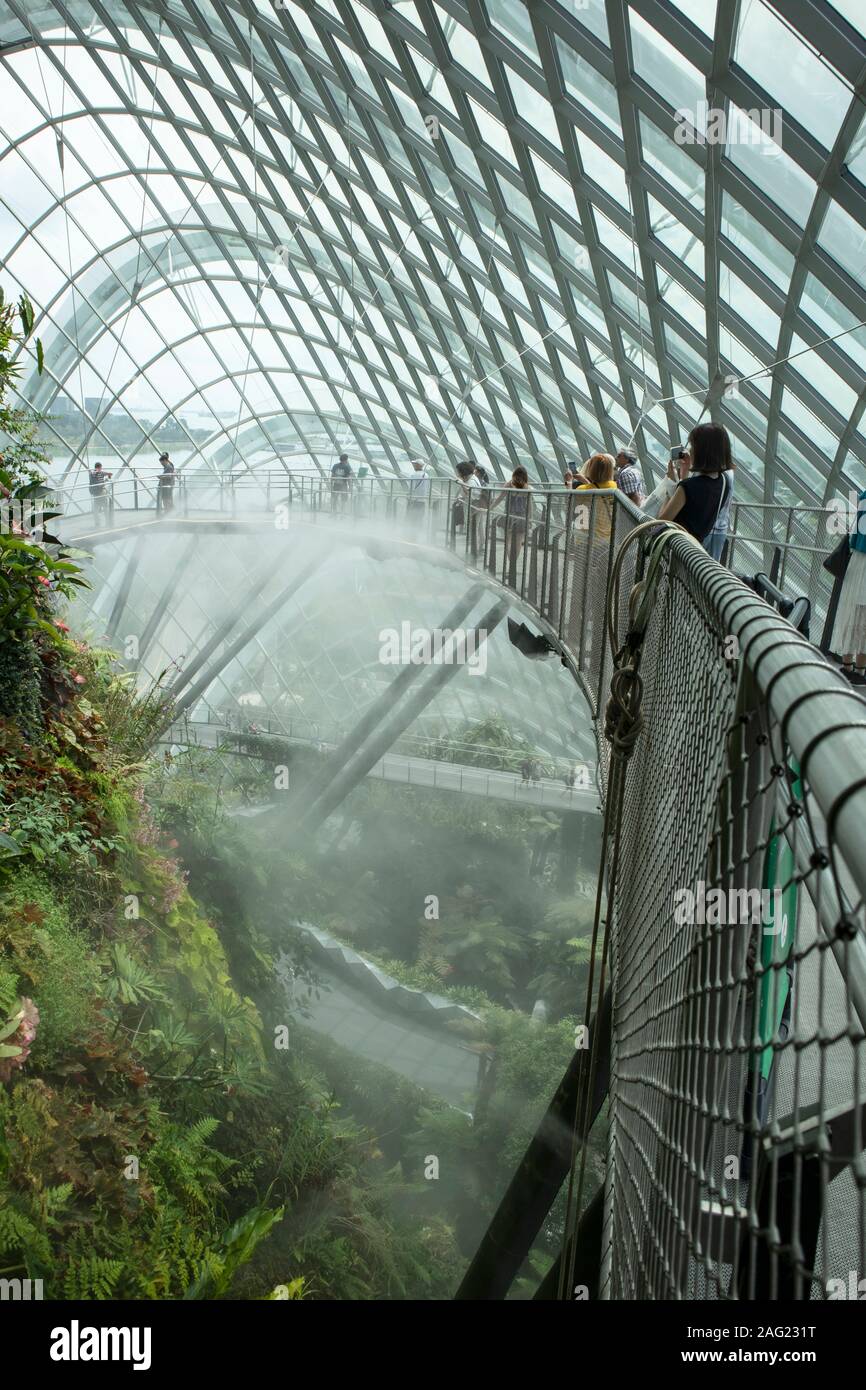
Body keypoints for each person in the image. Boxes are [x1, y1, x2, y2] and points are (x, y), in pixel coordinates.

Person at [658, 423, 734, 553]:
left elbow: (660, 522)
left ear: (702, 451)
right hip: (694, 551)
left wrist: (670, 484)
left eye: (693, 446)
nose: (690, 450)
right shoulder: (724, 483)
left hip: (676, 550)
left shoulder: (687, 487)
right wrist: (684, 474)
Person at [832, 487, 866, 684]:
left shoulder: (864, 496)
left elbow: (856, 532)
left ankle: (847, 666)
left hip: (859, 561)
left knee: (851, 613)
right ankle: (861, 672)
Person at [574, 453, 618, 539]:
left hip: (586, 537)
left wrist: (568, 483)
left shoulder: (581, 489)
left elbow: (570, 504)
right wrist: (586, 481)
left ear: (591, 469)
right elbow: (596, 488)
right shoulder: (613, 486)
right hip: (606, 538)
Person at [405, 458, 430, 523]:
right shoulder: (426, 475)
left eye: (415, 464)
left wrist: (408, 495)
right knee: (420, 518)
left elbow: (411, 488)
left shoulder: (414, 475)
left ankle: (411, 532)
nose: (414, 466)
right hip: (422, 501)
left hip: (414, 501)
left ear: (419, 465)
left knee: (411, 518)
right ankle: (418, 531)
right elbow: (427, 487)